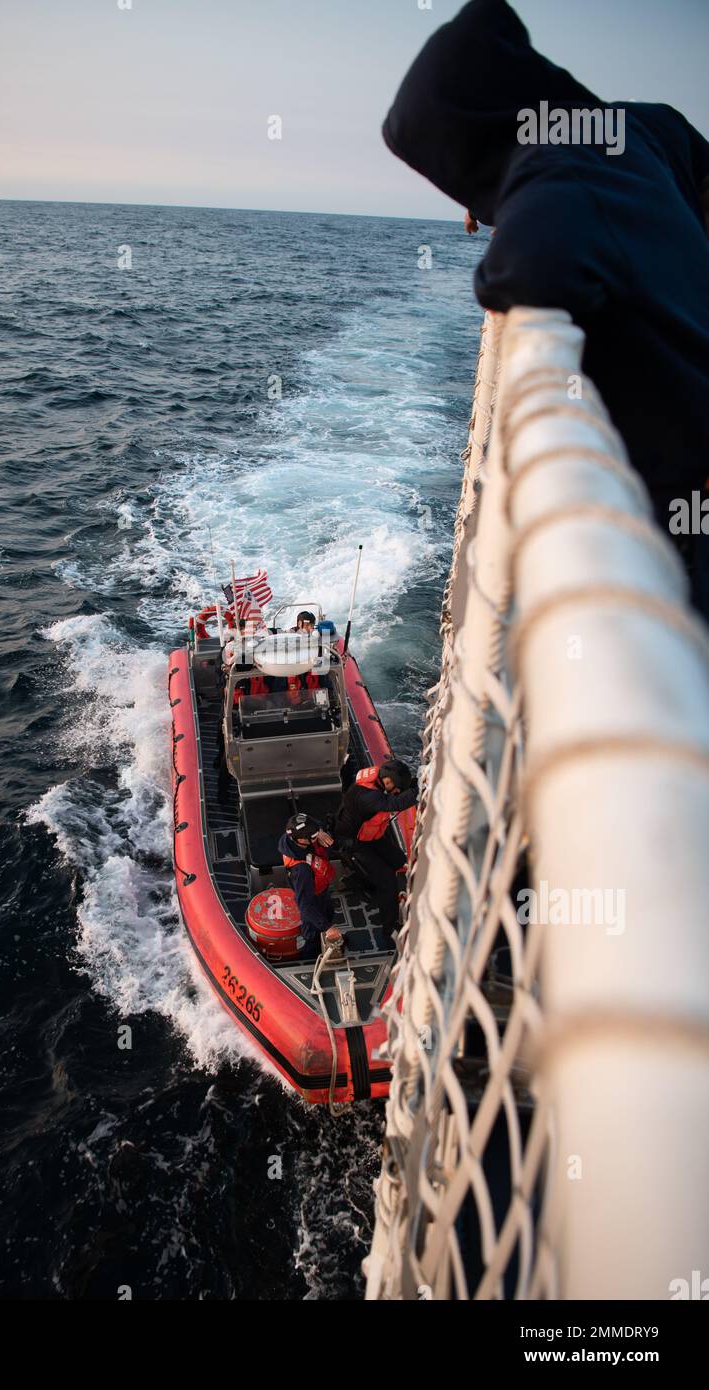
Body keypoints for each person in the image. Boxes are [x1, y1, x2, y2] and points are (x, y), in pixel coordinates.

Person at [381, 0, 709, 618]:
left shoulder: (557, 172)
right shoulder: (634, 130)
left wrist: (519, 198)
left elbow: (525, 269)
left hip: (670, 535)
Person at [335, 759, 418, 941]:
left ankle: (362, 880)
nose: (397, 791)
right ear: (387, 781)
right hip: (355, 844)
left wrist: (414, 782)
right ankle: (389, 929)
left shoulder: (375, 783)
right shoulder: (368, 796)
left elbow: (394, 797)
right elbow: (393, 804)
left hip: (371, 837)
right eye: (396, 788)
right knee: (387, 879)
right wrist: (417, 792)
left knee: (398, 860)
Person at [279, 813, 337, 961]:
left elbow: (310, 822)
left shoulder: (292, 838)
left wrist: (320, 831)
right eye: (313, 836)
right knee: (312, 933)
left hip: (321, 889)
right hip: (312, 897)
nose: (317, 838)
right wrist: (327, 928)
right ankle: (311, 959)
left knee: (329, 912)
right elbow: (305, 906)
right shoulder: (301, 870)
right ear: (301, 840)